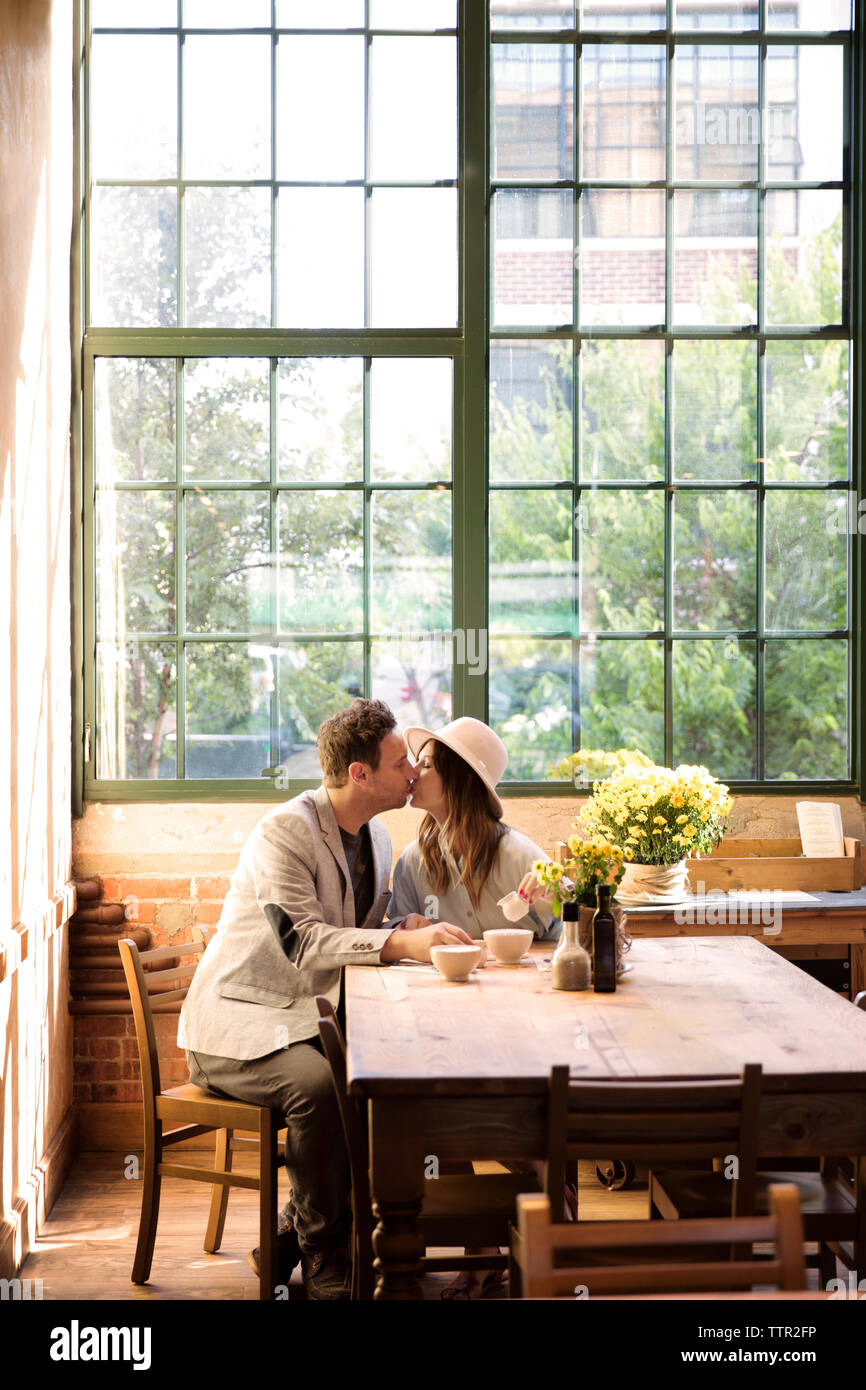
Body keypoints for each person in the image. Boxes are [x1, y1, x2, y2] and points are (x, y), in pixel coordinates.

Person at [178, 699, 473, 1300]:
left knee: (374, 1081)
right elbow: (305, 940)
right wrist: (400, 944)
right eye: (400, 763)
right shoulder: (285, 830)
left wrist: (404, 923)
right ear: (360, 774)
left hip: (298, 1023)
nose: (413, 772)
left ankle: (293, 1233)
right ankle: (322, 1255)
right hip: (236, 1026)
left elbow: (362, 925)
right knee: (318, 1088)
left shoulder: (380, 839)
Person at [388, 716, 561, 1299]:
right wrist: (407, 927)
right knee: (437, 1117)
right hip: (443, 1029)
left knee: (530, 1135)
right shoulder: (413, 860)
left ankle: (538, 1250)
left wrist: (558, 909)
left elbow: (572, 939)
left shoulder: (521, 857)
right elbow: (396, 937)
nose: (415, 772)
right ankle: (482, 1252)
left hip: (525, 1032)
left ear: (459, 781)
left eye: (429, 764)